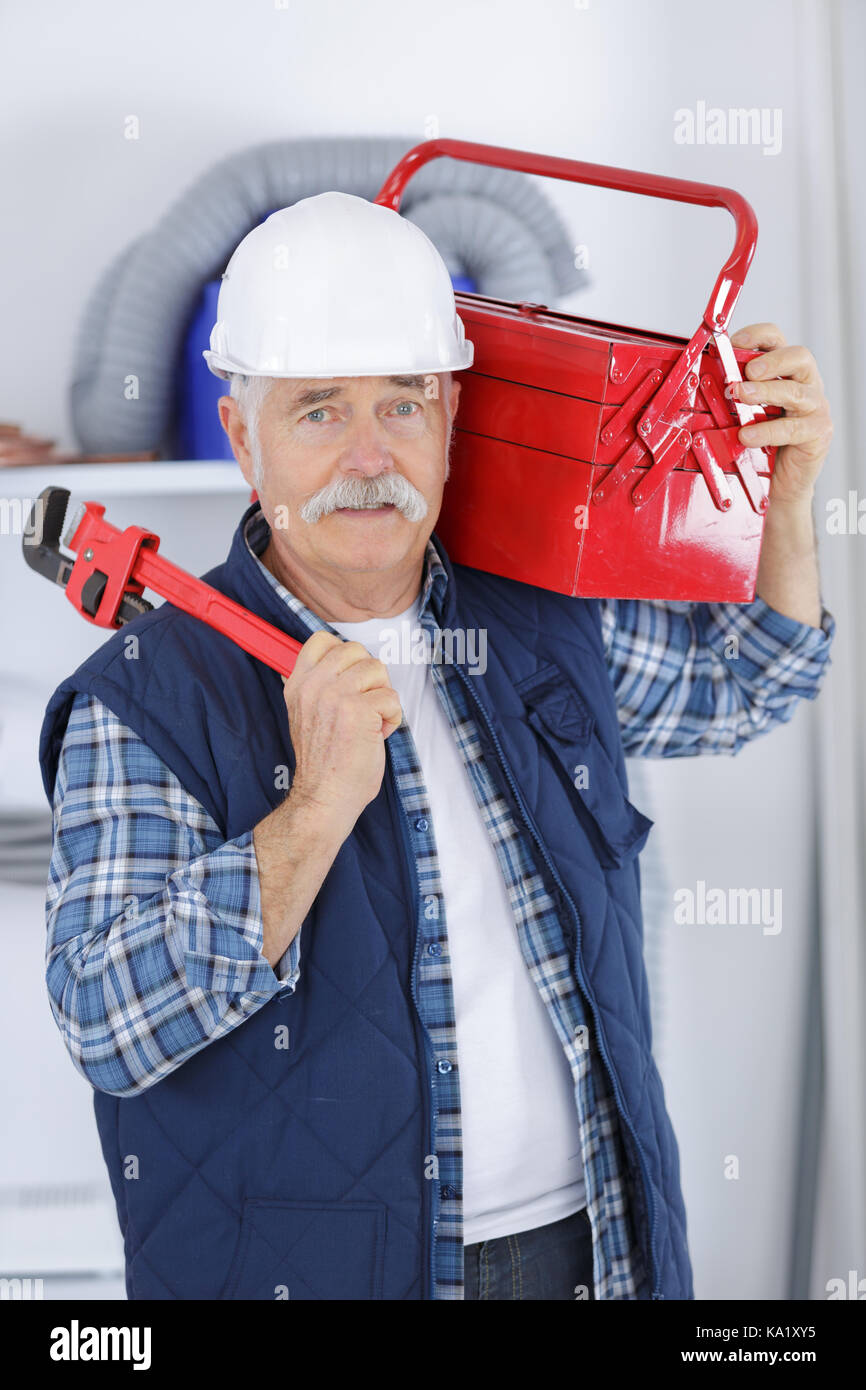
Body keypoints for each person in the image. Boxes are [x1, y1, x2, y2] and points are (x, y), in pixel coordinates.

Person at [40, 191, 834, 1301]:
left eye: (403, 405)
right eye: (318, 411)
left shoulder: (538, 620)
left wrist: (787, 507)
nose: (370, 455)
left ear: (451, 420)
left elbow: (744, 681)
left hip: (596, 1253)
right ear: (241, 438)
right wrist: (312, 811)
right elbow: (107, 1019)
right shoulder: (144, 701)